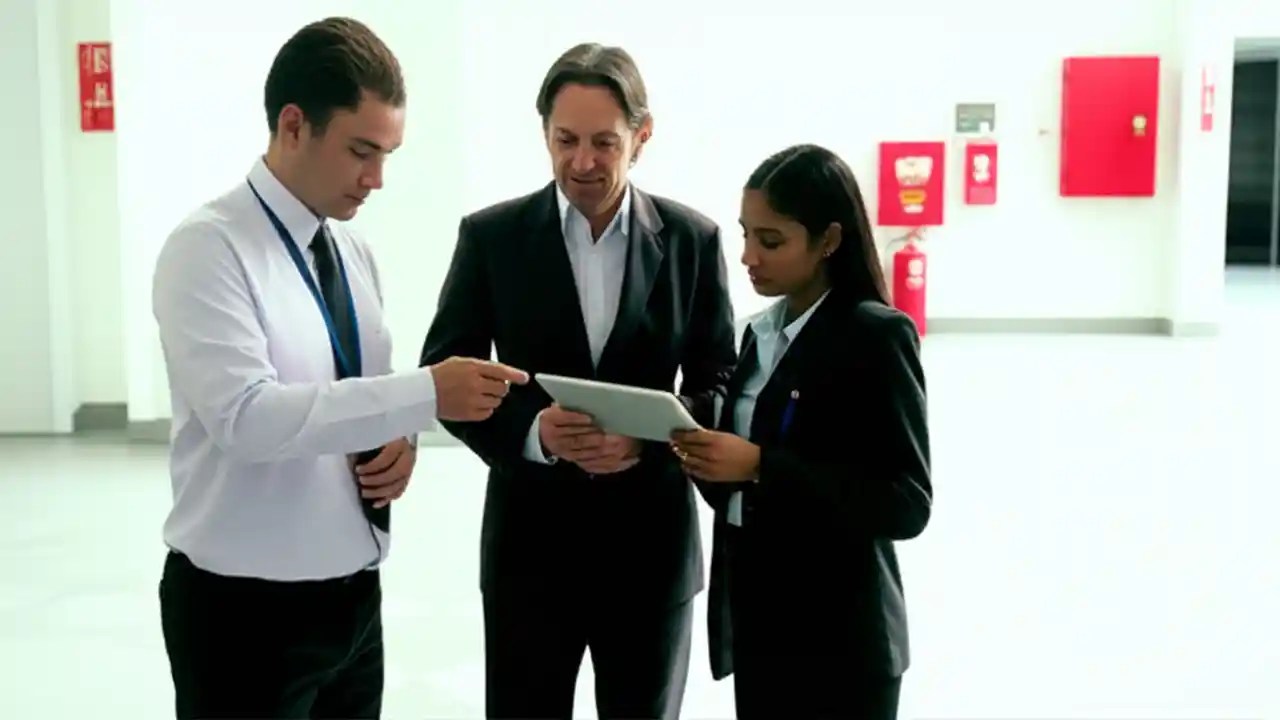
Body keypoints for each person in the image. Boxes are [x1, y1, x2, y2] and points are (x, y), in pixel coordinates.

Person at [150, 17, 528, 720]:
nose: (376, 180)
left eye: (388, 155)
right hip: (243, 614)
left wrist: (401, 443)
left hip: (353, 601)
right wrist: (426, 395)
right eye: (361, 151)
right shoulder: (208, 249)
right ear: (294, 125)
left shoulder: (353, 254)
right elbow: (247, 419)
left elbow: (359, 395)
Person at [419, 42, 737, 720]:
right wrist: (532, 432)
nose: (582, 162)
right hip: (529, 553)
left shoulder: (693, 240)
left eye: (604, 143)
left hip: (650, 554)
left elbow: (721, 381)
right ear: (544, 133)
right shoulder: (492, 238)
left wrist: (651, 437)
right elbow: (446, 373)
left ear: (642, 137)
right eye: (565, 140)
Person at [671, 143, 932, 720]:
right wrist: (702, 457)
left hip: (842, 645)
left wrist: (760, 465)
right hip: (763, 630)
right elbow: (744, 490)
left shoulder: (876, 337)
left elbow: (906, 503)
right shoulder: (757, 336)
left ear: (829, 240)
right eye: (746, 235)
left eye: (771, 241)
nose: (747, 257)